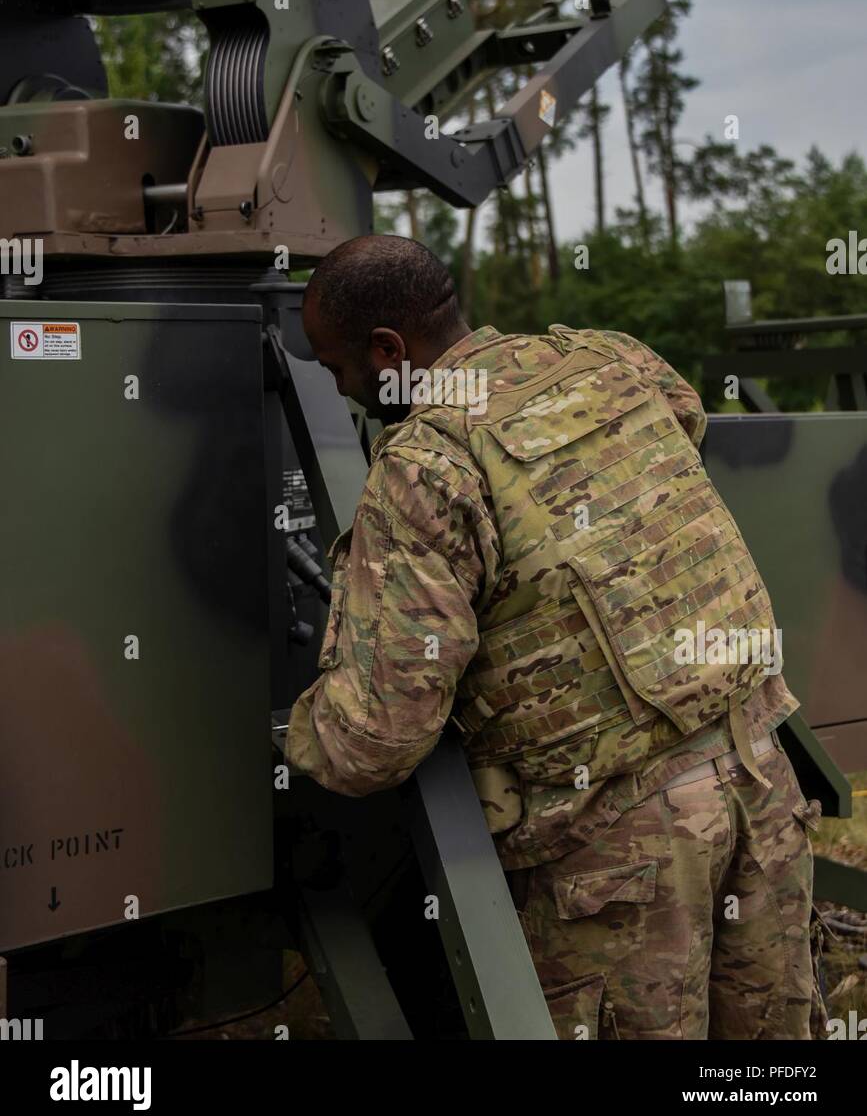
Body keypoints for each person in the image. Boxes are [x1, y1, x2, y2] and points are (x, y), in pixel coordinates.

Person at [285, 234, 826, 1040]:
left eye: (336, 367)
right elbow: (684, 421)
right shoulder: (609, 357)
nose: (344, 390)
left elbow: (378, 736)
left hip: (618, 851)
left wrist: (294, 738)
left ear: (388, 350)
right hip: (759, 779)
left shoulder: (426, 461)